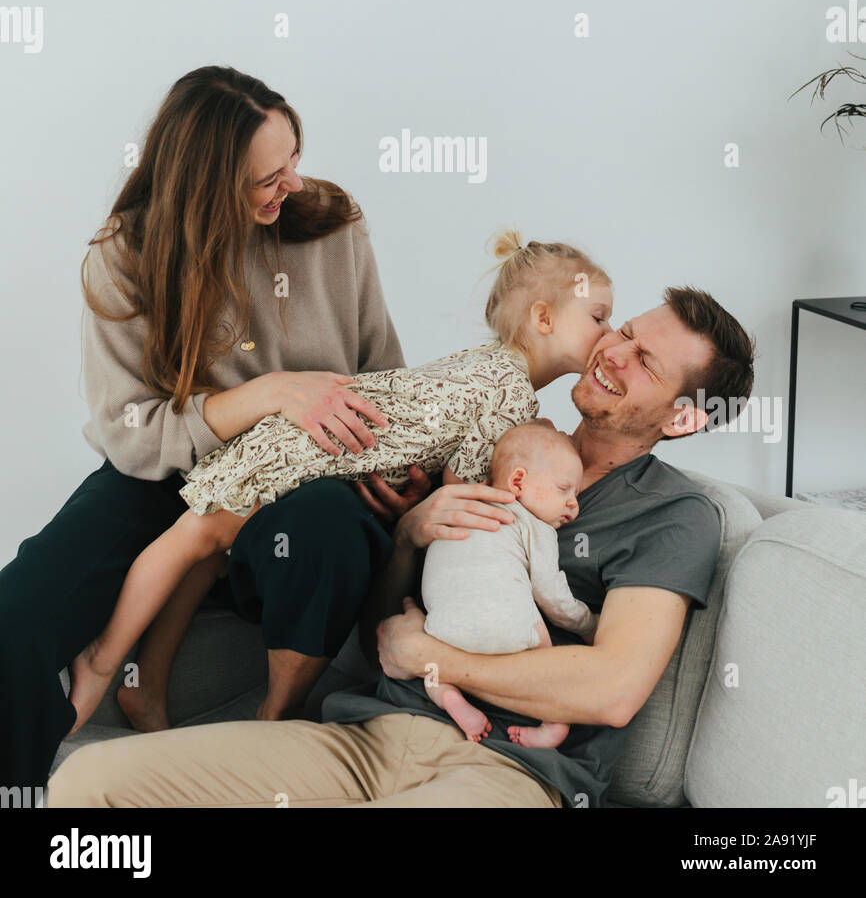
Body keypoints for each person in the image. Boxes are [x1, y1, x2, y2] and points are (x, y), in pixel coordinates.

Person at [46, 285, 756, 809]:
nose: (614, 354)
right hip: (366, 737)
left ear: (687, 416)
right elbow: (381, 625)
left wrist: (434, 658)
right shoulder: (504, 442)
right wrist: (410, 536)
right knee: (88, 787)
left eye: (647, 364)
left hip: (506, 774)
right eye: (625, 332)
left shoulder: (674, 515)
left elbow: (613, 691)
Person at [0, 64, 407, 793]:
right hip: (166, 474)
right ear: (204, 187)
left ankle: (272, 728)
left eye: (293, 161)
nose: (293, 186)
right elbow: (134, 435)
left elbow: (382, 373)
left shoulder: (331, 223)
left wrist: (391, 458)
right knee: (15, 620)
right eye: (266, 179)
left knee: (325, 533)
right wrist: (269, 392)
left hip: (301, 477)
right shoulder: (123, 258)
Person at [66, 233, 613, 735]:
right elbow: (462, 488)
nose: (607, 335)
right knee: (194, 539)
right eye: (599, 317)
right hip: (314, 447)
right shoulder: (512, 393)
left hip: (312, 438)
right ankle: (104, 660)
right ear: (544, 317)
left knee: (202, 544)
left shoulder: (491, 366)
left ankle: (147, 684)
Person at [421, 422, 596, 747]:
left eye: (576, 494)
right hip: (509, 626)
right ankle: (554, 725)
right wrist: (588, 624)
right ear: (517, 481)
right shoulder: (535, 526)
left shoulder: (462, 506)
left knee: (430, 669)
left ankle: (450, 699)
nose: (574, 503)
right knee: (550, 662)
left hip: (442, 629)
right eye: (564, 489)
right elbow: (551, 595)